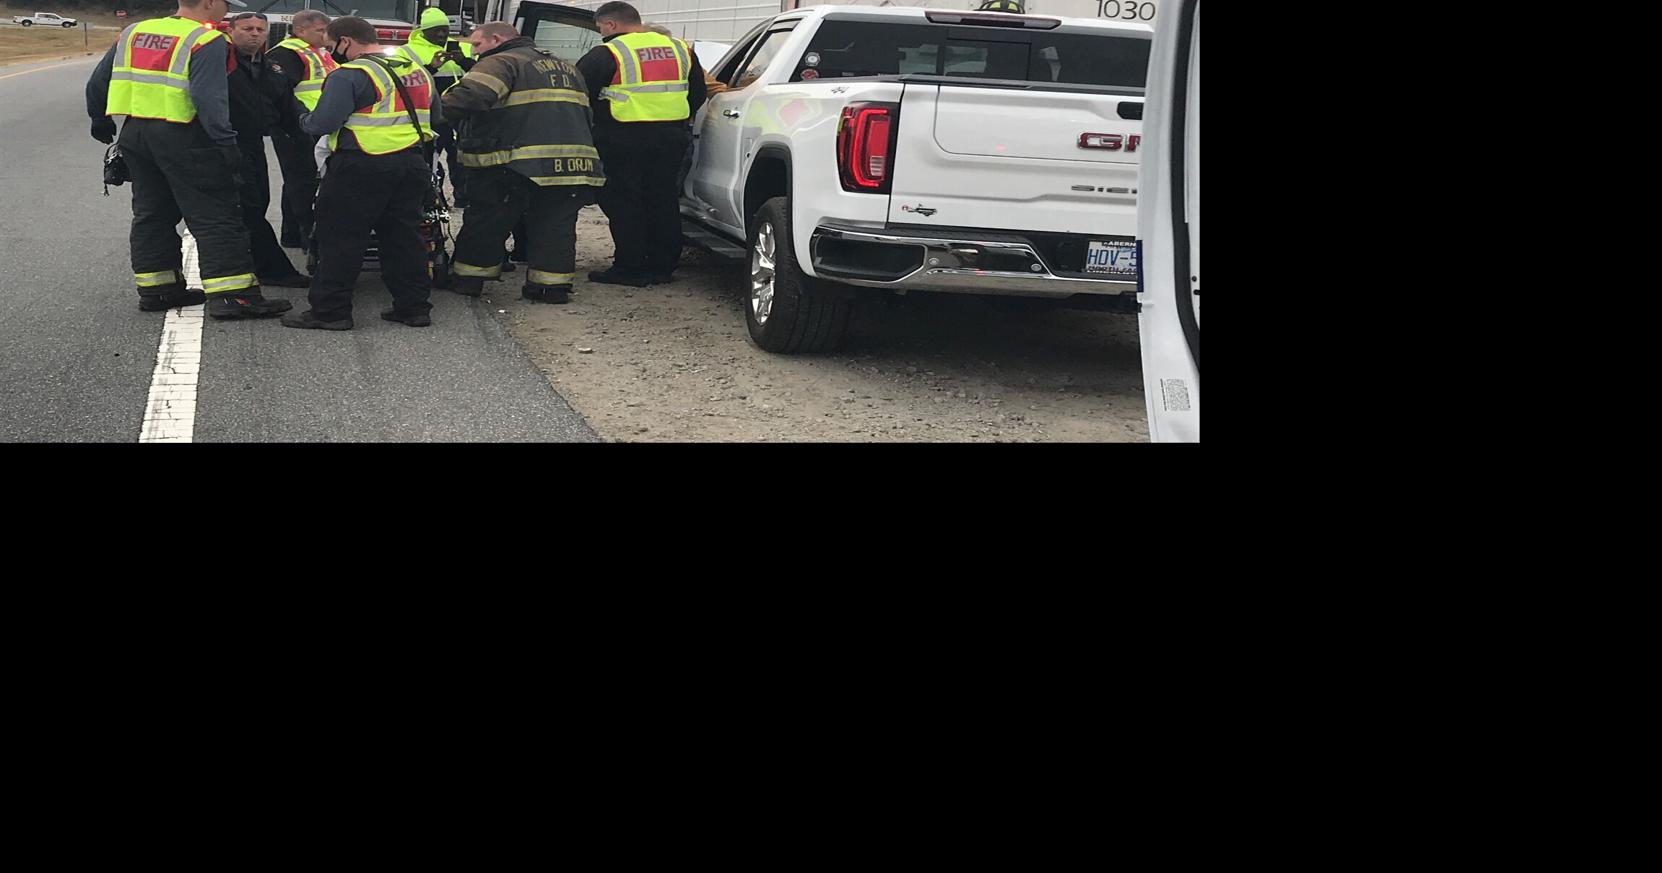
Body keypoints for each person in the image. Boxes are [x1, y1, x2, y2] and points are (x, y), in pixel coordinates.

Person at [85, 0, 292, 319]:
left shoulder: (135, 31)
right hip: (186, 134)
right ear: (209, 2)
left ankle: (158, 289)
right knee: (216, 214)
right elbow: (209, 98)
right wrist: (226, 145)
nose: (226, 9)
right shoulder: (205, 39)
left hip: (137, 133)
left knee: (152, 213)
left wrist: (100, 119)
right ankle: (233, 297)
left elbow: (99, 81)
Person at [280, 16, 438, 330]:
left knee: (340, 238)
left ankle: (331, 311)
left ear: (346, 42)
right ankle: (414, 307)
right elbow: (438, 114)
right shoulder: (415, 69)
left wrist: (300, 115)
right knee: (404, 237)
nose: (330, 53)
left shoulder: (350, 74)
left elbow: (322, 124)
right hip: (411, 164)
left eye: (330, 47)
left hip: (361, 165)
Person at [442, 22, 603, 304]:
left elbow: (470, 97)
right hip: (571, 163)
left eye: (477, 45)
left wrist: (425, 113)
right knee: (555, 224)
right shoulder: (566, 66)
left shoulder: (501, 62)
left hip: (513, 160)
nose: (474, 51)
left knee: (488, 219)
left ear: (497, 39)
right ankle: (550, 288)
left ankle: (469, 279)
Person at [575, 1, 706, 287]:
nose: (600, 33)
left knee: (624, 202)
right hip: (671, 136)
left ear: (611, 25)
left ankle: (631, 268)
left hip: (621, 137)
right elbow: (697, 93)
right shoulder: (680, 49)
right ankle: (662, 266)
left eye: (600, 28)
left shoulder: (608, 52)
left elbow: (579, 94)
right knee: (662, 199)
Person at [226, 10, 307, 286]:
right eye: (247, 28)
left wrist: (304, 136)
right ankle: (271, 268)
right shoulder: (220, 64)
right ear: (231, 31)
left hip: (254, 143)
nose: (254, 34)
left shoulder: (272, 68)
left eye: (260, 29)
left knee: (259, 201)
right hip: (225, 142)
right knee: (245, 205)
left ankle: (256, 263)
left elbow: (287, 109)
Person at [266, 8, 335, 249]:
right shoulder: (286, 54)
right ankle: (307, 235)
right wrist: (301, 124)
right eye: (320, 30)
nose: (326, 35)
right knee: (302, 180)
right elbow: (282, 94)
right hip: (297, 127)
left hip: (314, 124)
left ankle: (292, 234)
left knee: (298, 180)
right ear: (300, 30)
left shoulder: (318, 52)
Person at [402, 6, 476, 207]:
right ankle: (434, 197)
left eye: (445, 29)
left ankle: (463, 197)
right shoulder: (407, 51)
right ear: (424, 31)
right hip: (432, 112)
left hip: (461, 110)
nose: (442, 34)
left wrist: (464, 61)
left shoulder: (463, 47)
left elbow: (482, 71)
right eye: (437, 30)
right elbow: (406, 82)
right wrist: (432, 67)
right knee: (431, 157)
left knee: (462, 156)